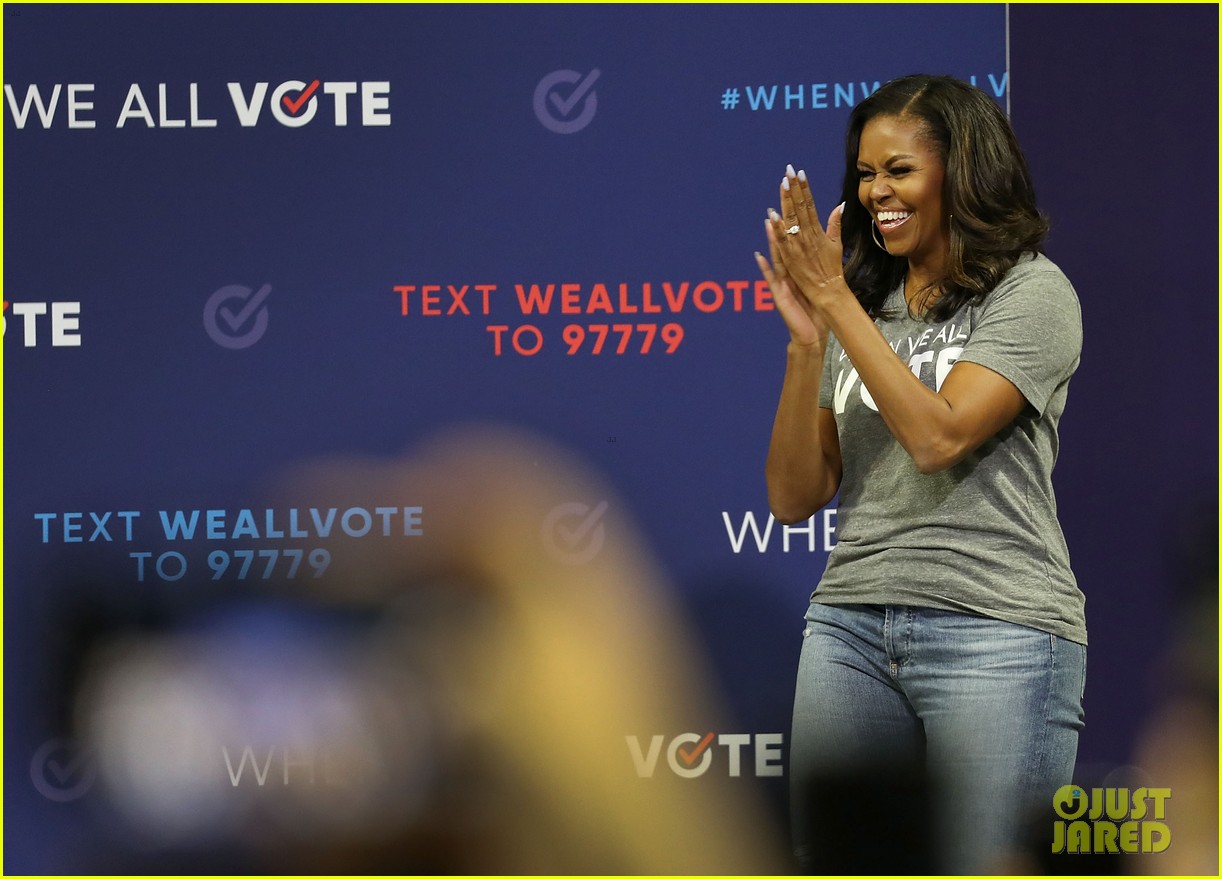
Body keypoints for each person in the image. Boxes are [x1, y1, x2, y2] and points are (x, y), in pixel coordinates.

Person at [754, 74, 1087, 873]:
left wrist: (835, 304)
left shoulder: (1031, 293)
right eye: (866, 174)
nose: (876, 193)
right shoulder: (859, 304)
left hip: (995, 628)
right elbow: (795, 496)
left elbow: (938, 438)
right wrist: (808, 343)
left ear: (962, 172)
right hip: (848, 628)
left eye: (898, 170)